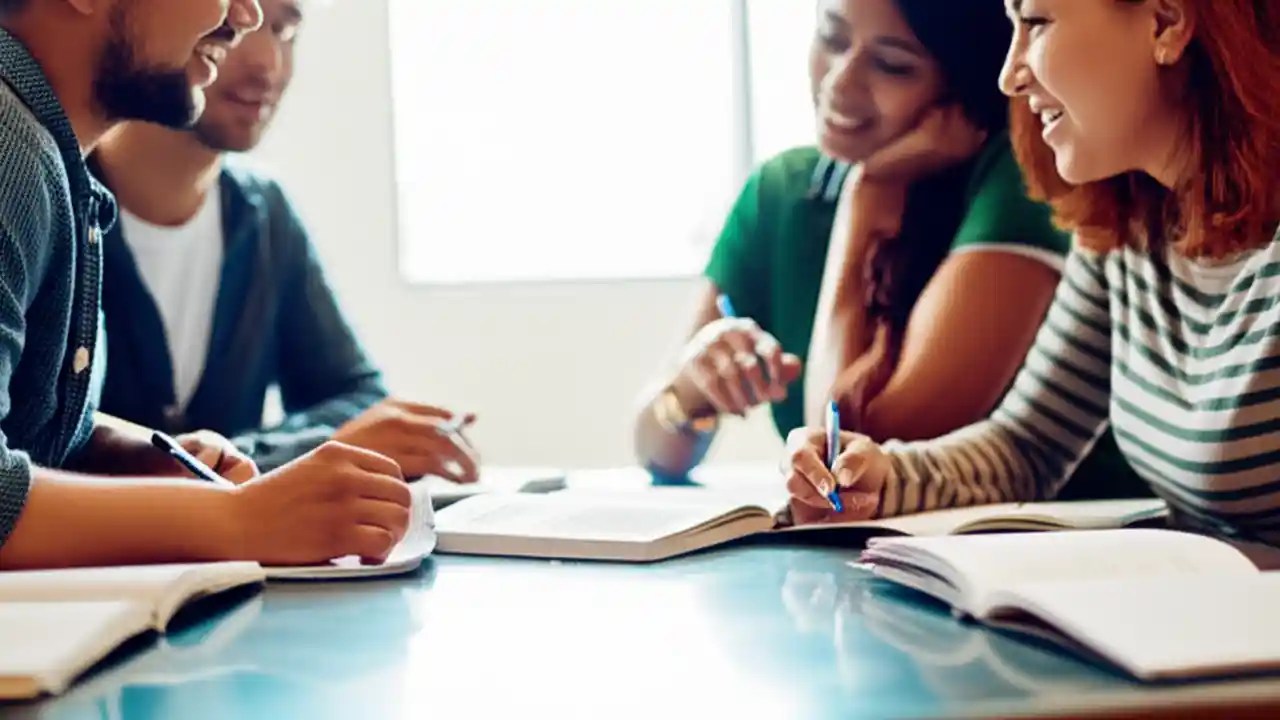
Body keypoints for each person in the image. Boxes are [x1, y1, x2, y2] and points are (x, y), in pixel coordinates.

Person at [782, 0, 1280, 547]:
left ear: (1166, 22)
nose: (1009, 76)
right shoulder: (1130, 222)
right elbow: (1029, 446)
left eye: (1037, 23)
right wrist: (880, 477)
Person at [634, 0, 1144, 500]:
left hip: (1063, 538)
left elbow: (850, 458)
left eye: (892, 66)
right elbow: (654, 450)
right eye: (832, 38)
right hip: (889, 546)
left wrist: (864, 204)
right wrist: (689, 390)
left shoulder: (1021, 179)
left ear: (960, 83)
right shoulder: (783, 190)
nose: (840, 83)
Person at [0, 0, 411, 570]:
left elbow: (28, 427)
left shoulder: (54, 166)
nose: (243, 16)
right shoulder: (10, 147)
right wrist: (239, 520)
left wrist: (126, 454)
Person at [91, 0, 479, 481]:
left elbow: (357, 397)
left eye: (285, 32)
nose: (268, 63)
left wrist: (252, 458)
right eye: (232, 22)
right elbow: (36, 453)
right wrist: (297, 454)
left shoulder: (265, 212)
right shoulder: (53, 199)